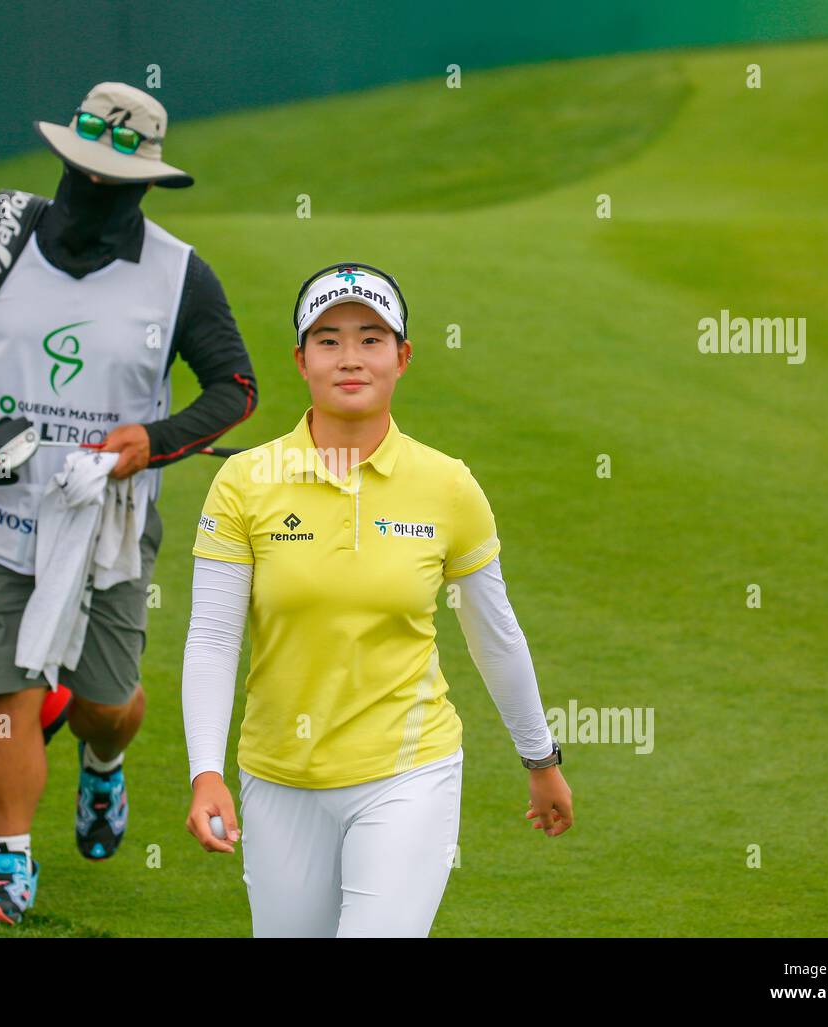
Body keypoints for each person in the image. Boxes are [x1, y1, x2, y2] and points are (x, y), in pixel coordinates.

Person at [0, 82, 258, 923]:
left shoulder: (178, 274)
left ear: (147, 184)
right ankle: (9, 866)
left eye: (116, 177)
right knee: (10, 689)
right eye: (84, 171)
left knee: (105, 697)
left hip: (109, 525)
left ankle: (103, 762)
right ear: (65, 161)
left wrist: (153, 440)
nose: (96, 190)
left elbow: (236, 389)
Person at [181, 261, 572, 936]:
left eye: (371, 337)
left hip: (406, 772)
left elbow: (494, 632)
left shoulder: (447, 485)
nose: (350, 358)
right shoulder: (246, 482)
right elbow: (214, 636)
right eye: (328, 340)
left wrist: (541, 761)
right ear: (301, 360)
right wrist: (205, 772)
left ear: (403, 356)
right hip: (278, 778)